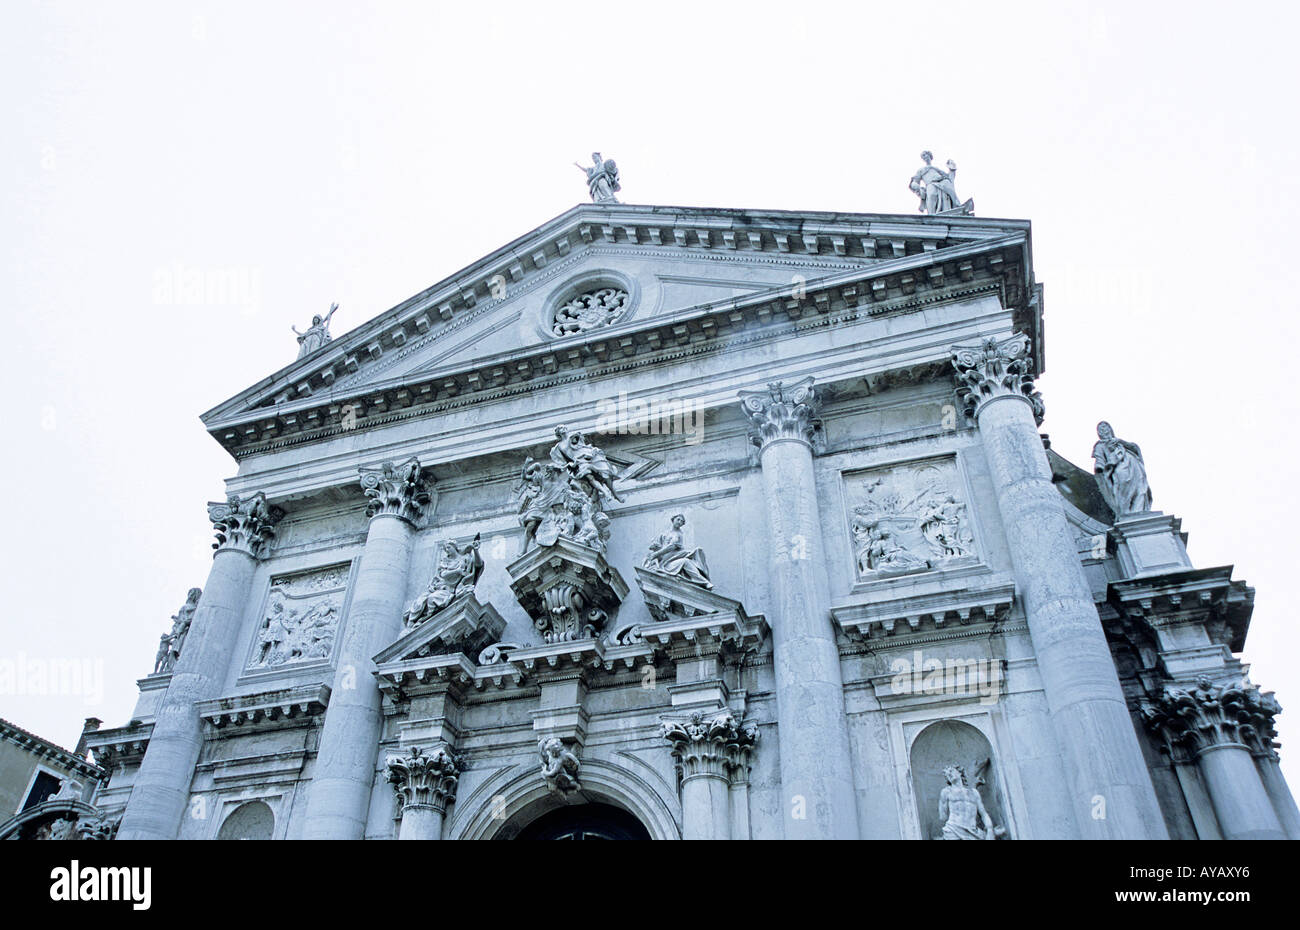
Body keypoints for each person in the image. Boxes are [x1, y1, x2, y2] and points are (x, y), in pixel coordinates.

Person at [1092, 421, 1152, 517]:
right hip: (1118, 467)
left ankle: (1138, 511)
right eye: (1100, 429)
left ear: (1110, 428)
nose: (1103, 429)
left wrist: (1121, 442)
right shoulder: (1100, 445)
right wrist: (1100, 470)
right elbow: (1099, 460)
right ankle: (1125, 513)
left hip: (1135, 465)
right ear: (1099, 433)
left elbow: (1135, 448)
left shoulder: (1120, 442)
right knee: (1123, 487)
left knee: (1140, 488)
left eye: (1105, 426)